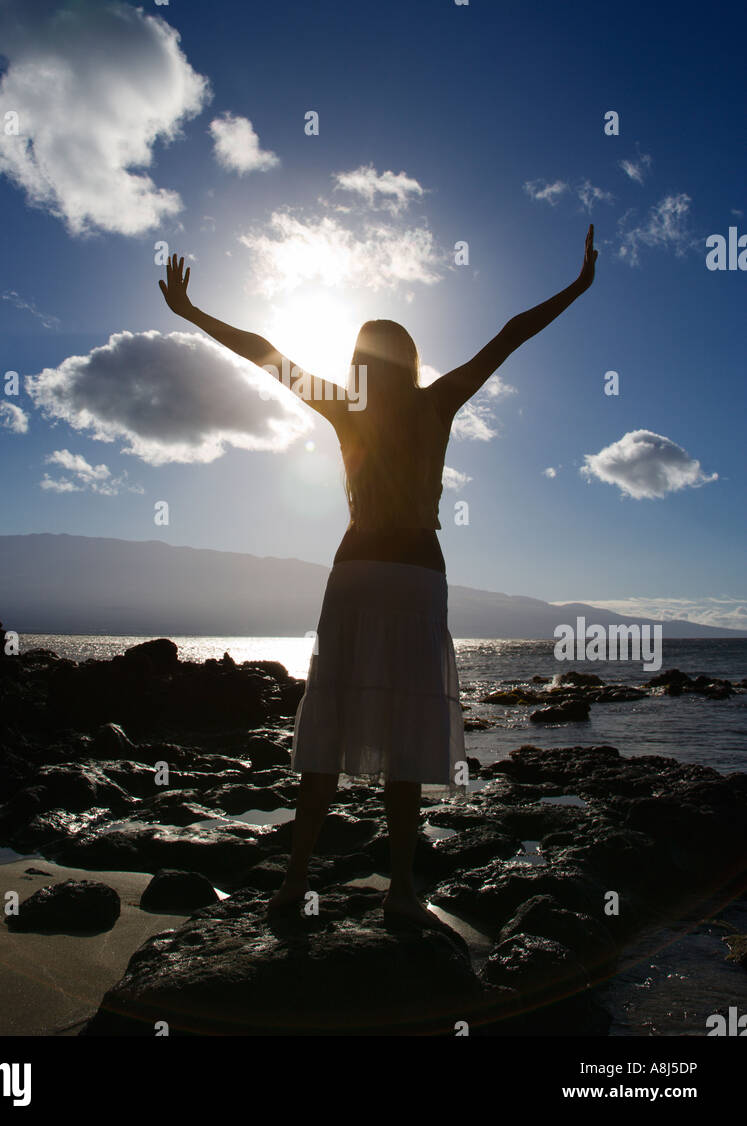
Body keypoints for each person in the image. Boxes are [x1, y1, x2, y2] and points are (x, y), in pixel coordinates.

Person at [159, 224, 598, 928]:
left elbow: (264, 355)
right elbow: (509, 334)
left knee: (329, 723)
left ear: (360, 362)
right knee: (404, 729)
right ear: (412, 359)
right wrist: (576, 287)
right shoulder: (436, 401)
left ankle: (291, 884)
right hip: (417, 570)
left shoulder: (345, 405)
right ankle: (399, 890)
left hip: (358, 566)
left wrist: (192, 314)